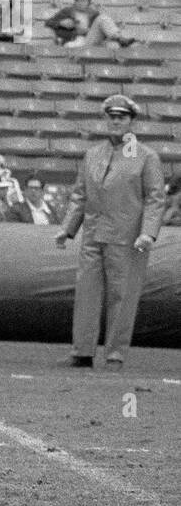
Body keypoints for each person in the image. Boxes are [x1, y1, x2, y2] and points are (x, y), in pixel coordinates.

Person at [55, 95, 165, 370]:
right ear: (106, 119)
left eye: (122, 117)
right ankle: (82, 351)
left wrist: (148, 233)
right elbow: (80, 195)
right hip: (93, 234)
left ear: (131, 121)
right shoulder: (93, 153)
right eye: (112, 116)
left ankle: (115, 354)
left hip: (127, 239)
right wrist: (68, 229)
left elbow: (155, 198)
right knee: (86, 294)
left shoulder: (146, 156)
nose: (116, 121)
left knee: (123, 296)